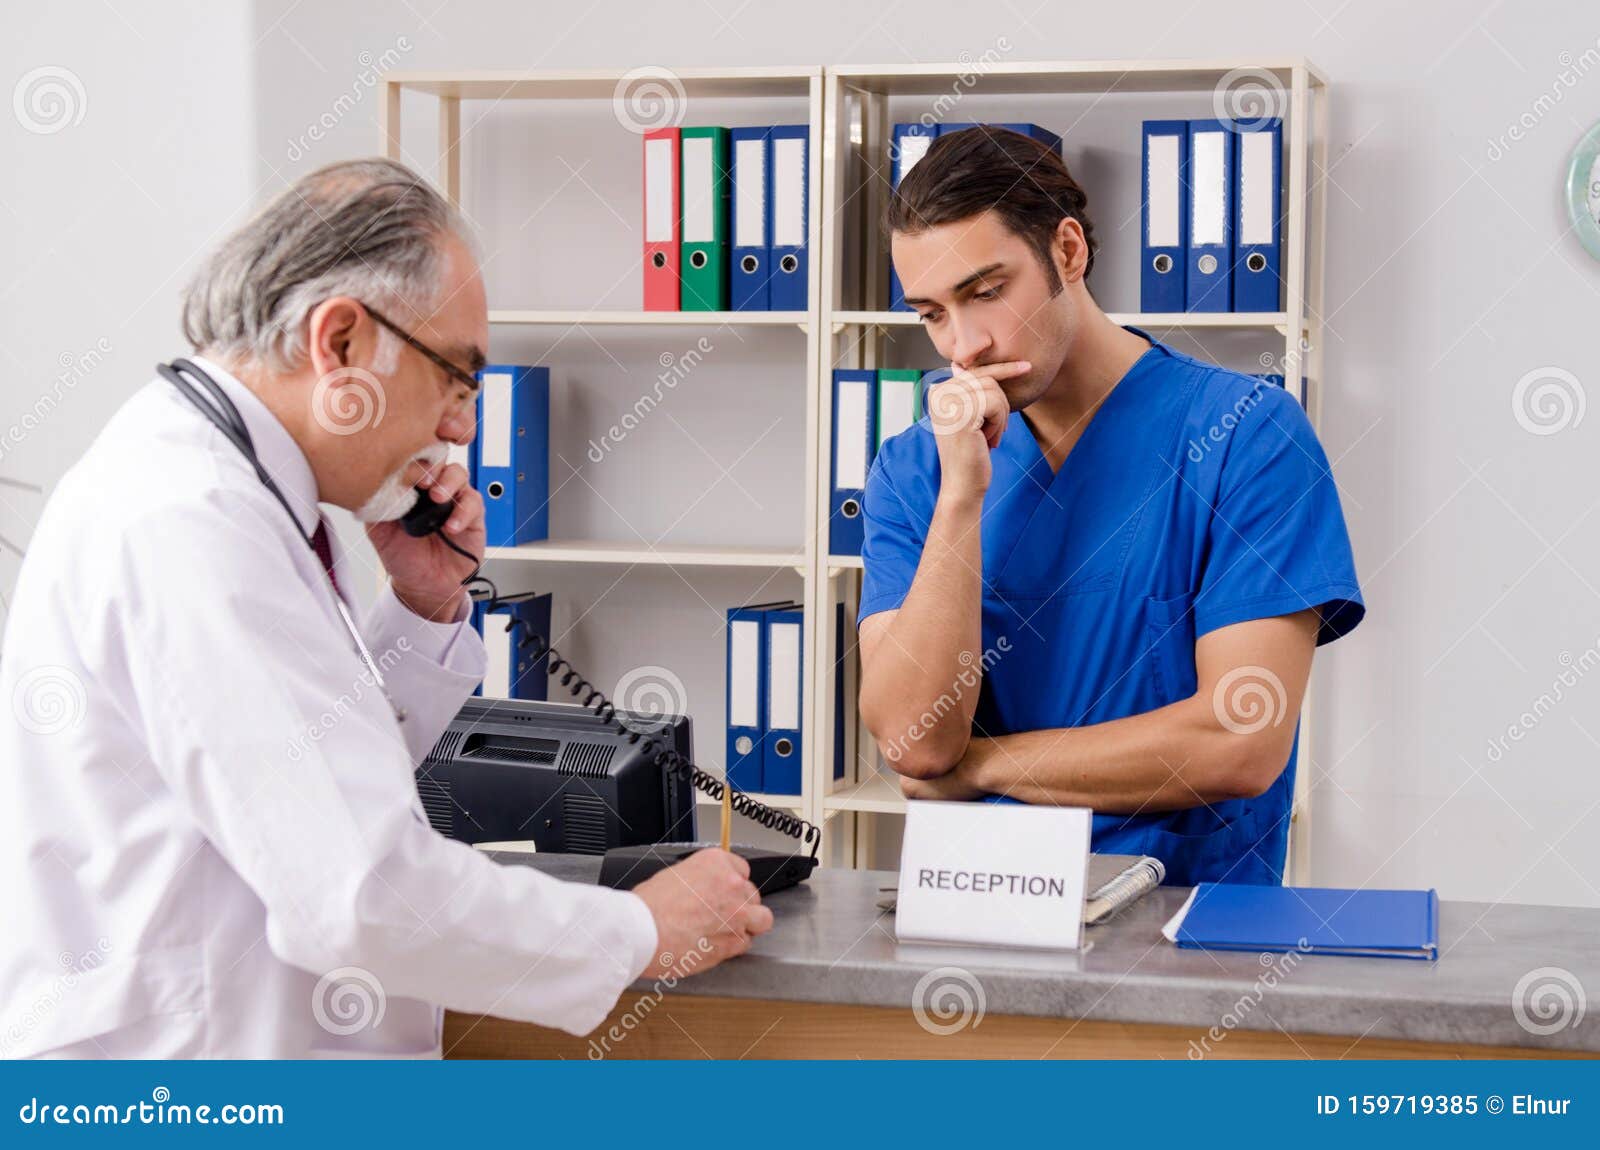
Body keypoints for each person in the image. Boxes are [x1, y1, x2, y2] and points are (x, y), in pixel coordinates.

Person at [0, 158, 771, 1058]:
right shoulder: (193, 519)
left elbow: (307, 783)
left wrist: (420, 603)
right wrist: (637, 930)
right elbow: (357, 894)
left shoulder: (232, 494)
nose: (461, 428)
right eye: (457, 379)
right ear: (341, 344)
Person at [858, 127, 1365, 886]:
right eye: (932, 313)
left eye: (986, 292)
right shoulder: (915, 472)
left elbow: (1241, 736)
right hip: (977, 915)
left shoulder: (1247, 438)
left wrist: (984, 767)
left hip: (1186, 941)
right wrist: (961, 498)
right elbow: (917, 745)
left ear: (1067, 251)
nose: (963, 345)